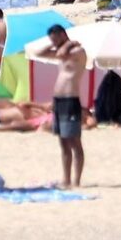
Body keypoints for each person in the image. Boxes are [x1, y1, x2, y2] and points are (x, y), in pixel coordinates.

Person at [35, 24, 86, 187]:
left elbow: (63, 53)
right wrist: (55, 43)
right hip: (58, 100)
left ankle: (76, 180)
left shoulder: (77, 51)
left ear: (63, 34)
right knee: (63, 142)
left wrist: (68, 44)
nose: (54, 43)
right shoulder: (62, 50)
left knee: (74, 142)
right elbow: (39, 53)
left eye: (56, 38)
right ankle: (66, 179)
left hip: (71, 99)